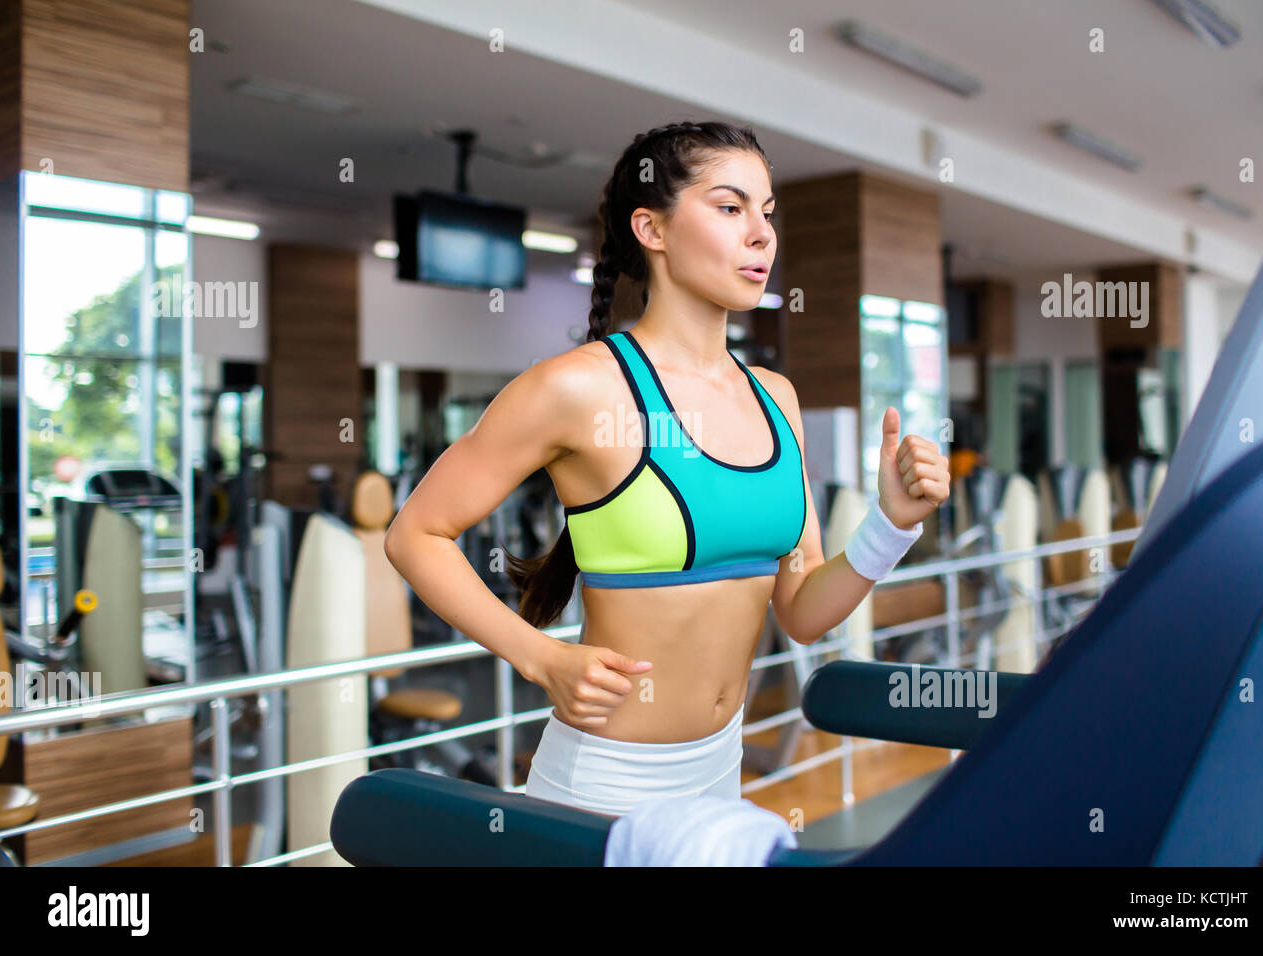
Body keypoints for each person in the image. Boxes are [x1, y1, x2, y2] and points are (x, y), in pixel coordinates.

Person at [383, 120, 951, 817]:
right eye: (730, 207)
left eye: (768, 213)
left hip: (721, 773)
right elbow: (415, 534)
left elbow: (802, 613)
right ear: (651, 229)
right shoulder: (579, 388)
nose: (762, 233)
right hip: (603, 786)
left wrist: (890, 524)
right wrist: (539, 657)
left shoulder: (776, 398)